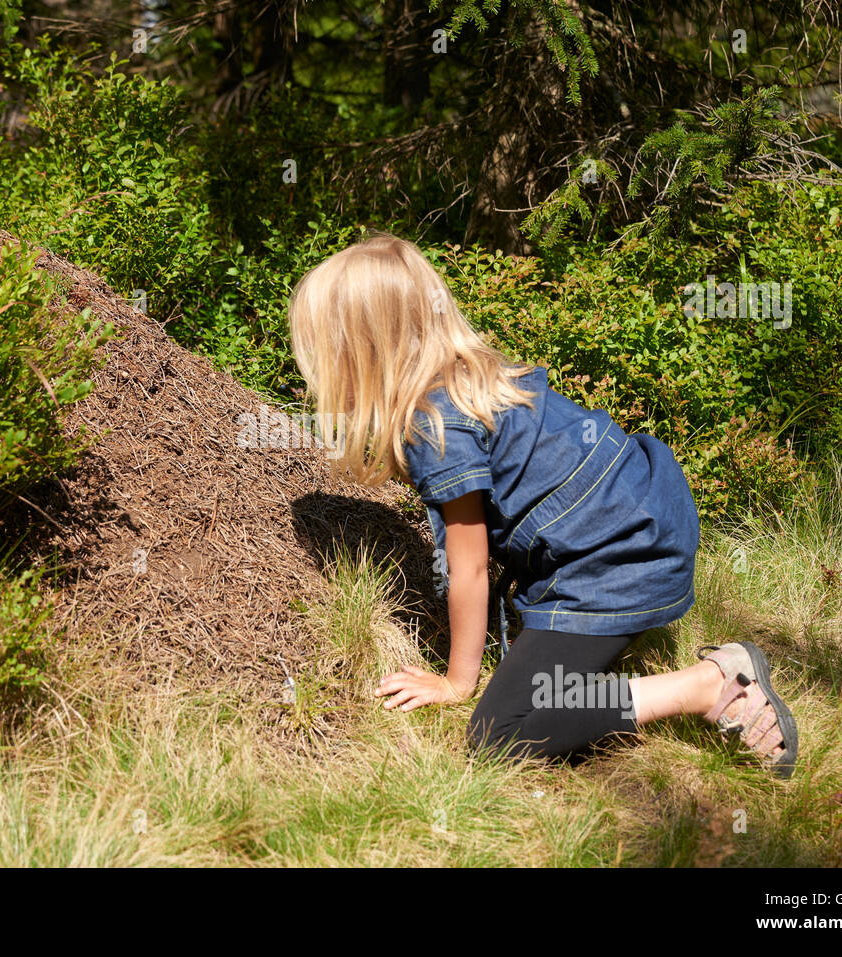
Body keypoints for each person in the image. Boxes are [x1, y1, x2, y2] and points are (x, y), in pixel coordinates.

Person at [287, 232, 798, 777]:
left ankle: (705, 685)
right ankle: (602, 659)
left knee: (499, 737)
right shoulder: (476, 376)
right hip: (648, 524)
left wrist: (458, 682)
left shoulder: (433, 428)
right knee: (537, 695)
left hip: (616, 569)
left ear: (362, 347)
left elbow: (470, 568)